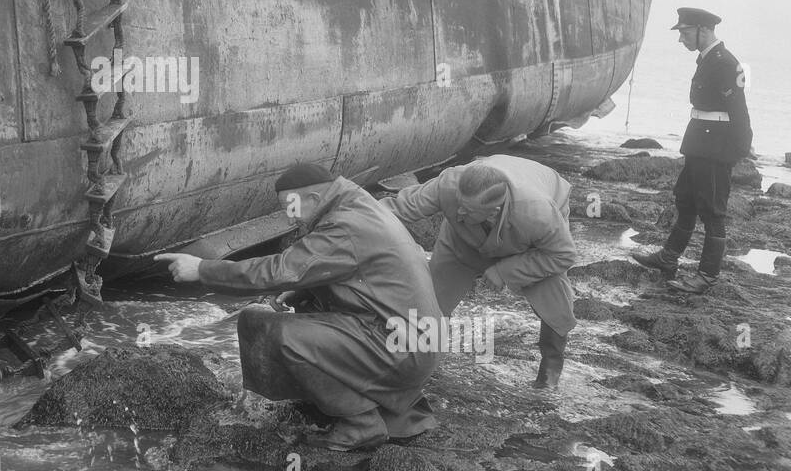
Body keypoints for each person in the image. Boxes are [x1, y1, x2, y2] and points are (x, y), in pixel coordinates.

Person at [157, 163, 442, 452]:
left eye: (289, 206)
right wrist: (302, 287)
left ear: (315, 200)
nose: (288, 216)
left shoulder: (345, 226)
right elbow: (353, 271)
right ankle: (388, 412)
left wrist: (203, 269)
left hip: (400, 349)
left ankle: (360, 422)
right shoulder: (358, 206)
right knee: (304, 305)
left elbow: (278, 271)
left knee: (269, 330)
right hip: (413, 343)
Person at [386, 155, 576, 388]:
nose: (459, 213)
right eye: (458, 204)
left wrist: (505, 271)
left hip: (532, 245)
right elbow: (399, 208)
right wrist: (349, 216)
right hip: (463, 239)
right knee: (431, 302)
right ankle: (418, 368)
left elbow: (563, 255)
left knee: (554, 304)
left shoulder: (538, 214)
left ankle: (549, 375)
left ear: (493, 212)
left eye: (466, 209)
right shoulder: (449, 184)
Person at [632, 8, 752, 294]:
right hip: (700, 143)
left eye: (685, 33)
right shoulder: (708, 59)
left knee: (713, 212)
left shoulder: (725, 62)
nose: (681, 39)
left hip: (715, 148)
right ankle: (668, 257)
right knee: (685, 201)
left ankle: (707, 276)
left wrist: (740, 148)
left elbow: (739, 109)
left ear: (703, 30)